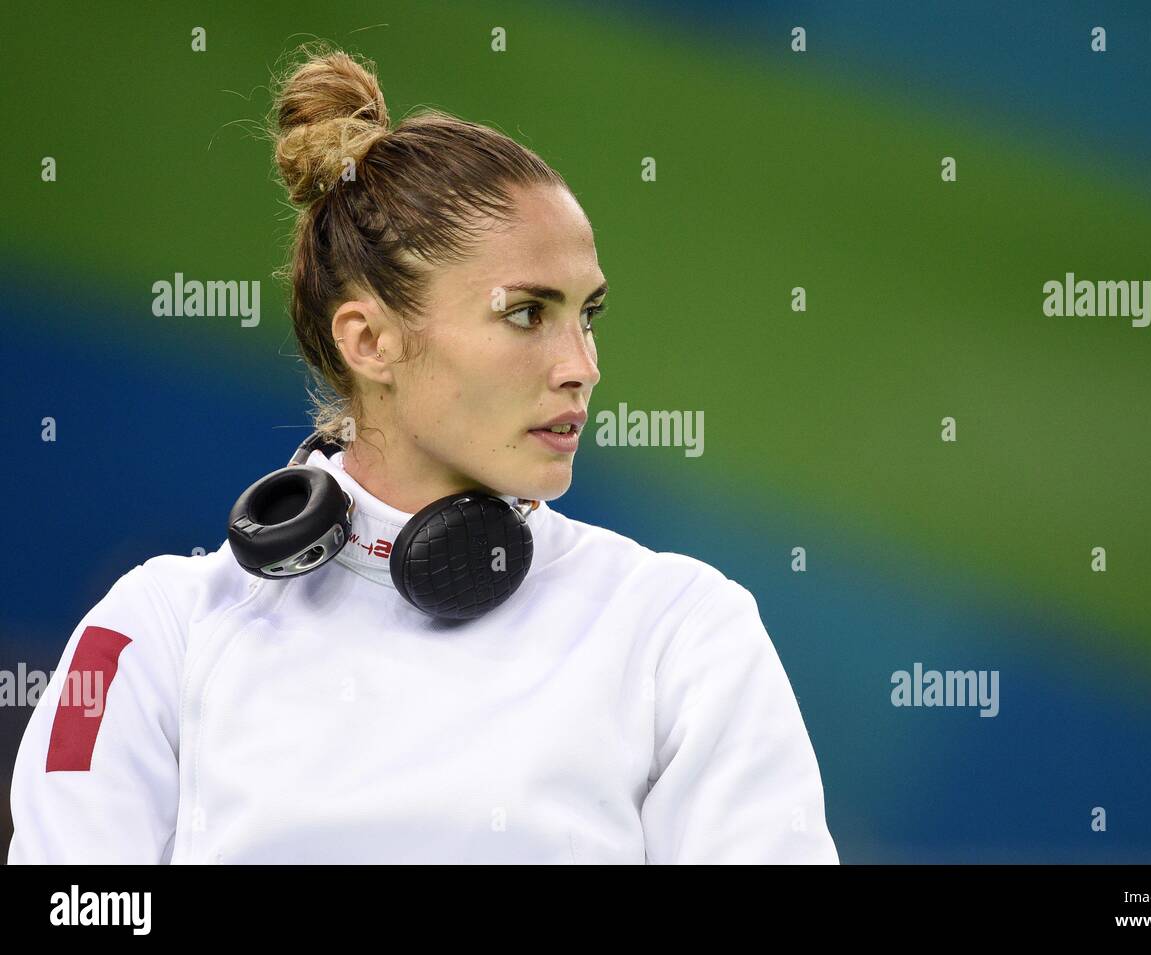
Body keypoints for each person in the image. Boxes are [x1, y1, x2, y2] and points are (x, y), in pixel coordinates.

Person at [7, 44, 838, 864]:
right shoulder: (150, 635)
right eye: (525, 314)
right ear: (370, 340)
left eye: (588, 313)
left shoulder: (683, 635)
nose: (582, 367)